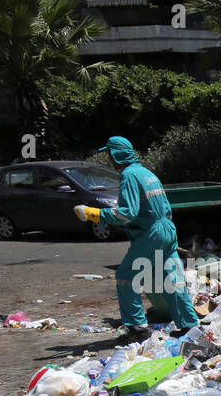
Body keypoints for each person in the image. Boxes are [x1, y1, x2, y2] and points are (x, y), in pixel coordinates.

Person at [73, 136, 199, 341]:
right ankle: (190, 326)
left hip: (151, 232)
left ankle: (137, 328)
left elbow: (127, 213)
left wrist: (93, 214)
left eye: (109, 154)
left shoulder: (129, 175)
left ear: (116, 154)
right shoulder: (147, 173)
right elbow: (164, 207)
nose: (109, 159)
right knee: (172, 280)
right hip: (166, 228)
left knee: (126, 276)